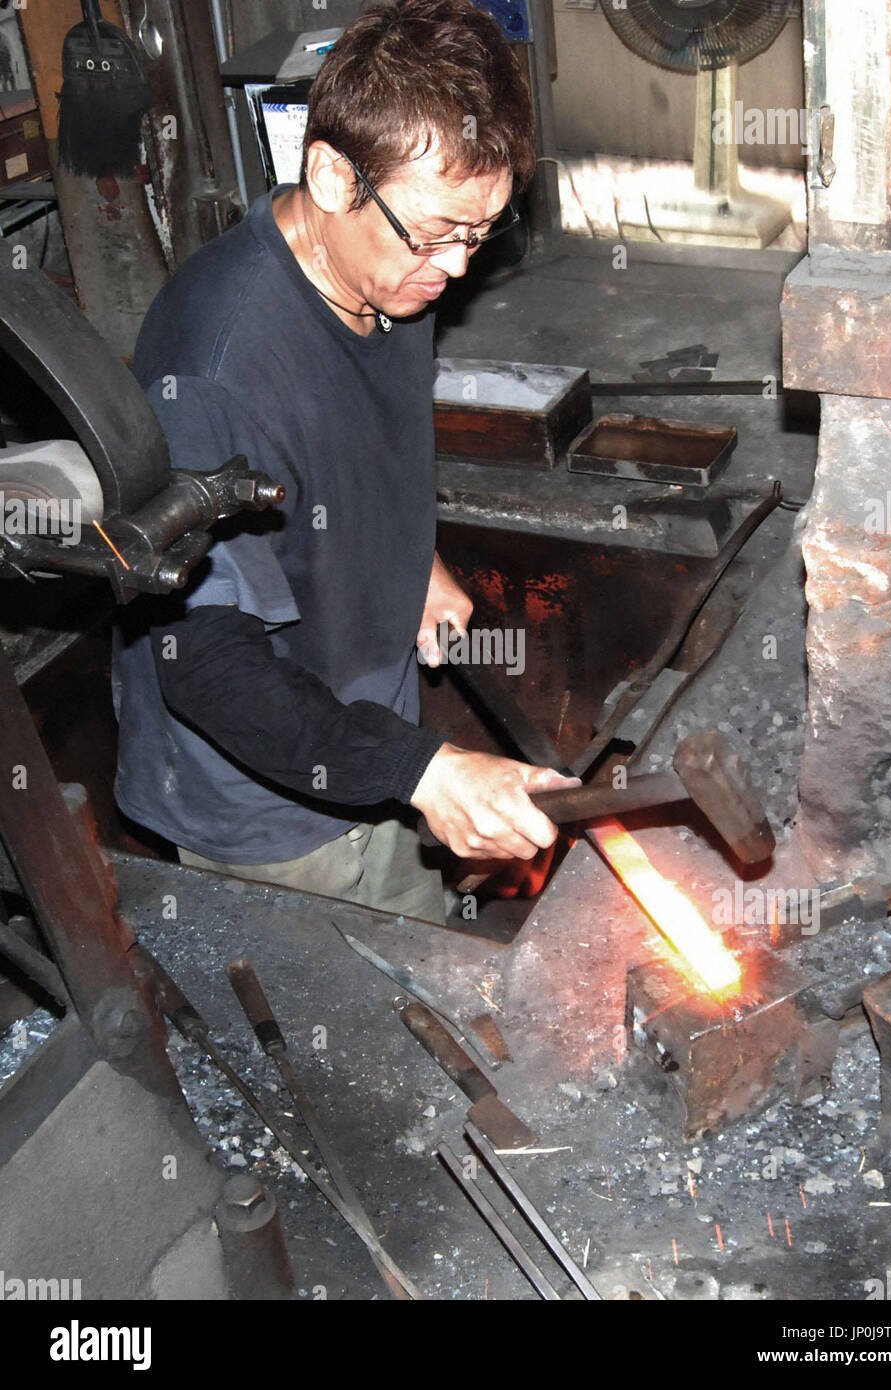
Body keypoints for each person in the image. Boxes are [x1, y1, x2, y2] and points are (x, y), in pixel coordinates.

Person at [112, 0, 577, 924]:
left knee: (426, 975)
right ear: (330, 175)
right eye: (436, 232)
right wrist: (426, 771)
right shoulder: (216, 368)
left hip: (371, 729)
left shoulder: (388, 272)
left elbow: (355, 450)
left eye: (480, 234)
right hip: (267, 810)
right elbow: (200, 660)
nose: (453, 268)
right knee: (339, 1045)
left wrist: (416, 562)